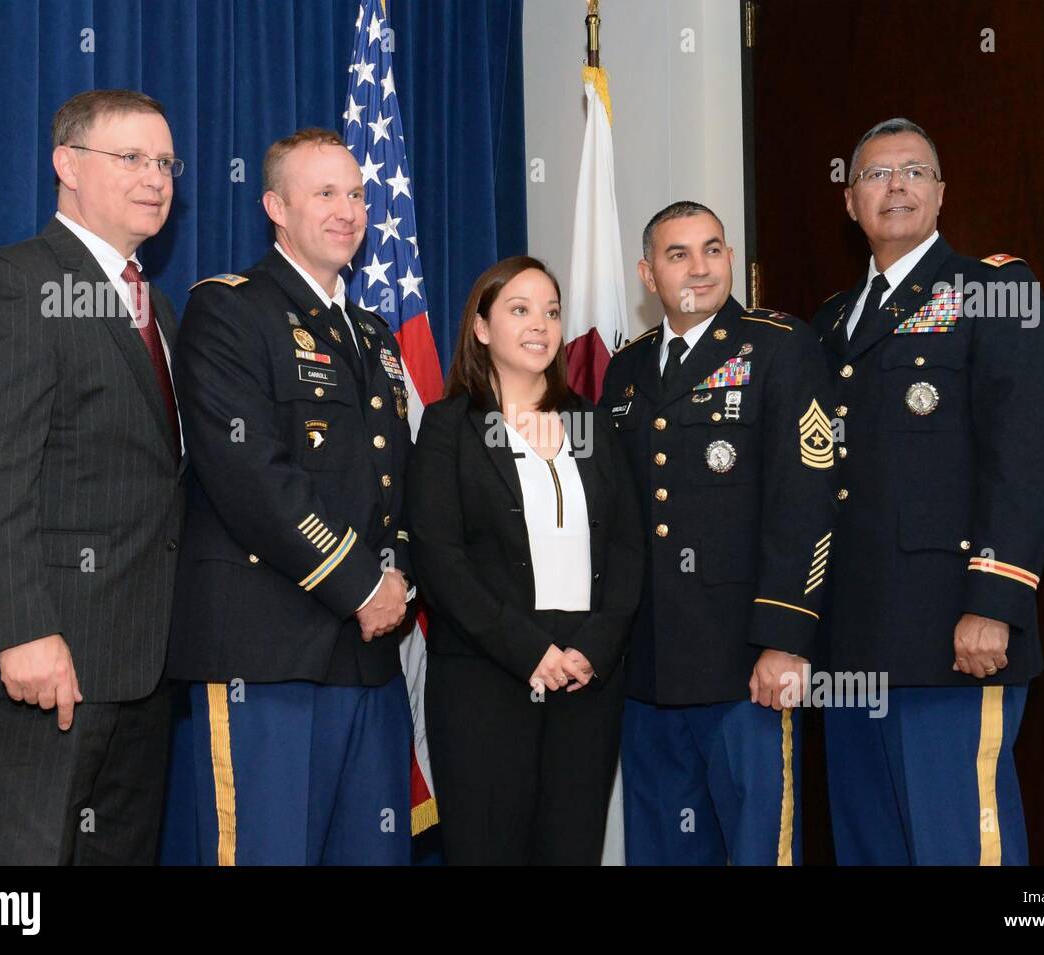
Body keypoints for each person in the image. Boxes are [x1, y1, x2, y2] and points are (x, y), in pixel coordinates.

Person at [0, 89, 185, 864]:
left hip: (141, 671)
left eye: (167, 163)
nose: (156, 178)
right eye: (132, 158)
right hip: (43, 668)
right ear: (66, 165)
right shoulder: (14, 284)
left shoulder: (156, 305)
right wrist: (22, 632)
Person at [812, 118, 1044, 865]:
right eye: (876, 174)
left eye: (914, 172)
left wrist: (993, 600)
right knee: (872, 848)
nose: (896, 186)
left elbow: (1029, 455)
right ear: (850, 201)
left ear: (941, 193)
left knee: (959, 843)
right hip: (850, 646)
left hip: (950, 635)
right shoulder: (830, 321)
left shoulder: (993, 290)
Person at [168, 128, 414, 865]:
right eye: (326, 194)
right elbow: (249, 476)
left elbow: (393, 479)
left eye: (358, 194)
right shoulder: (229, 310)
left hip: (368, 652)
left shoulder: (373, 334)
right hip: (264, 649)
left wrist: (397, 572)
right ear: (276, 206)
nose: (349, 211)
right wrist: (361, 582)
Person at [599, 201, 838, 865]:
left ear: (732, 258)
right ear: (649, 274)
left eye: (713, 249)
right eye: (678, 254)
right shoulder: (625, 370)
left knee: (761, 848)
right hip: (648, 670)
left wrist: (785, 639)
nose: (700, 267)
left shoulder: (780, 346)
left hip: (745, 667)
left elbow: (807, 499)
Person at [407, 256, 644, 865]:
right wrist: (530, 652)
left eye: (552, 311)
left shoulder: (589, 423)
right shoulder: (448, 428)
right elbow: (440, 560)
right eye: (520, 309)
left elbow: (626, 548)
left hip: (587, 680)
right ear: (481, 328)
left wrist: (595, 646)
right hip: (488, 680)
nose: (541, 324)